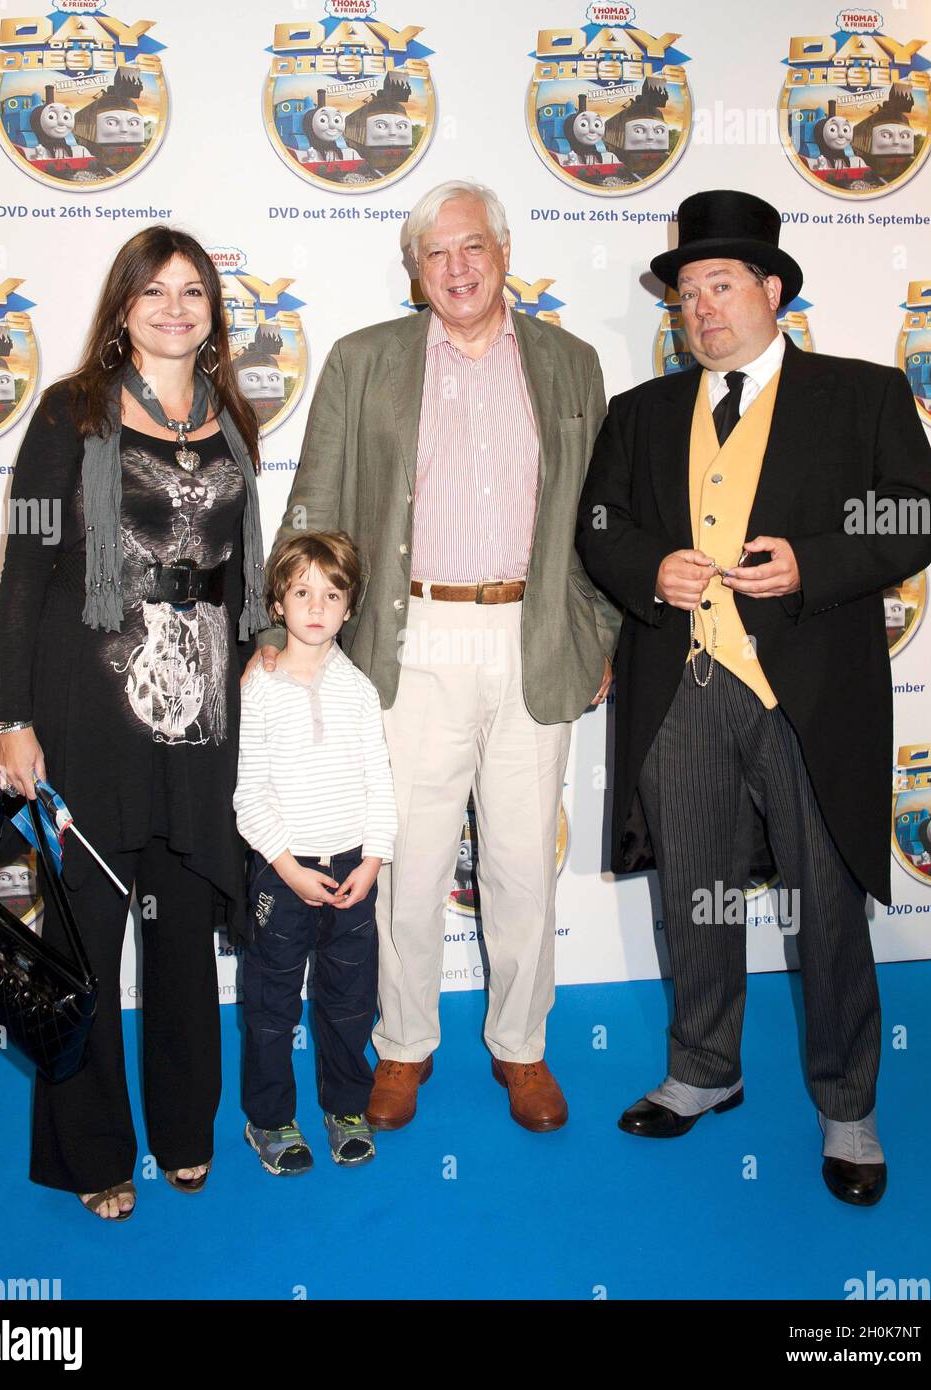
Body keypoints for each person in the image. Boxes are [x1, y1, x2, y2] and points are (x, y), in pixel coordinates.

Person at [576, 189, 931, 1206]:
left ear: (771, 290)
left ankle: (846, 1104)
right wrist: (654, 567)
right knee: (692, 892)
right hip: (679, 690)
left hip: (808, 696)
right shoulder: (638, 412)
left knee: (825, 907)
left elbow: (918, 515)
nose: (699, 308)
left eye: (720, 285)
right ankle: (704, 1068)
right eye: (685, 292)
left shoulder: (860, 395)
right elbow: (600, 529)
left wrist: (813, 563)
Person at [253, 179, 619, 1133]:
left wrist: (600, 631)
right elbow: (317, 503)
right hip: (408, 643)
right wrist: (282, 633)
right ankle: (405, 1044)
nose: (456, 268)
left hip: (531, 635)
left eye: (472, 248)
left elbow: (603, 518)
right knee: (406, 862)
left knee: (521, 861)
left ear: (504, 253)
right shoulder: (363, 360)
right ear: (415, 272)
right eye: (435, 254)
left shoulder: (570, 362)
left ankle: (522, 1049)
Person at [0, 224, 269, 1219]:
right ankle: (94, 1151)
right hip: (90, 702)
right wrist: (12, 715)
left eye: (192, 290)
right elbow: (26, 568)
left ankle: (187, 1128)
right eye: (153, 291)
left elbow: (241, 571)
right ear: (122, 306)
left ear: (211, 309)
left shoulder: (230, 412)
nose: (174, 307)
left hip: (201, 717)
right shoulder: (72, 413)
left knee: (185, 924)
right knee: (89, 939)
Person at [234, 531, 397, 1173]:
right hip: (283, 877)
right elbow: (249, 796)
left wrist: (374, 860)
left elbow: (378, 783)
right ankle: (271, 1121)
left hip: (353, 874)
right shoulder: (259, 688)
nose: (316, 606)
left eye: (332, 595)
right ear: (278, 602)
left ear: (350, 608)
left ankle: (346, 1108)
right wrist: (287, 867)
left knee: (350, 1002)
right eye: (302, 591)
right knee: (271, 1007)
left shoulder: (359, 691)